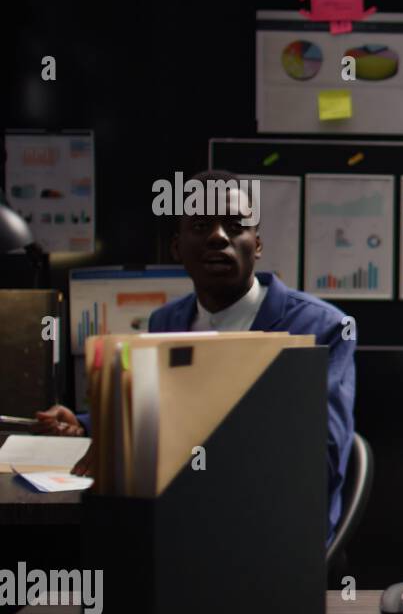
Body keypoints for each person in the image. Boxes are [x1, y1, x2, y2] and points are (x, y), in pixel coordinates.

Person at [33, 170, 356, 542]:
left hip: (276, 530)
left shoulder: (321, 327)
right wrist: (90, 423)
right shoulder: (167, 320)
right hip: (182, 522)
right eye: (201, 225)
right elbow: (156, 408)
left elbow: (323, 460)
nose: (219, 237)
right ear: (177, 248)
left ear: (258, 244)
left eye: (235, 226)